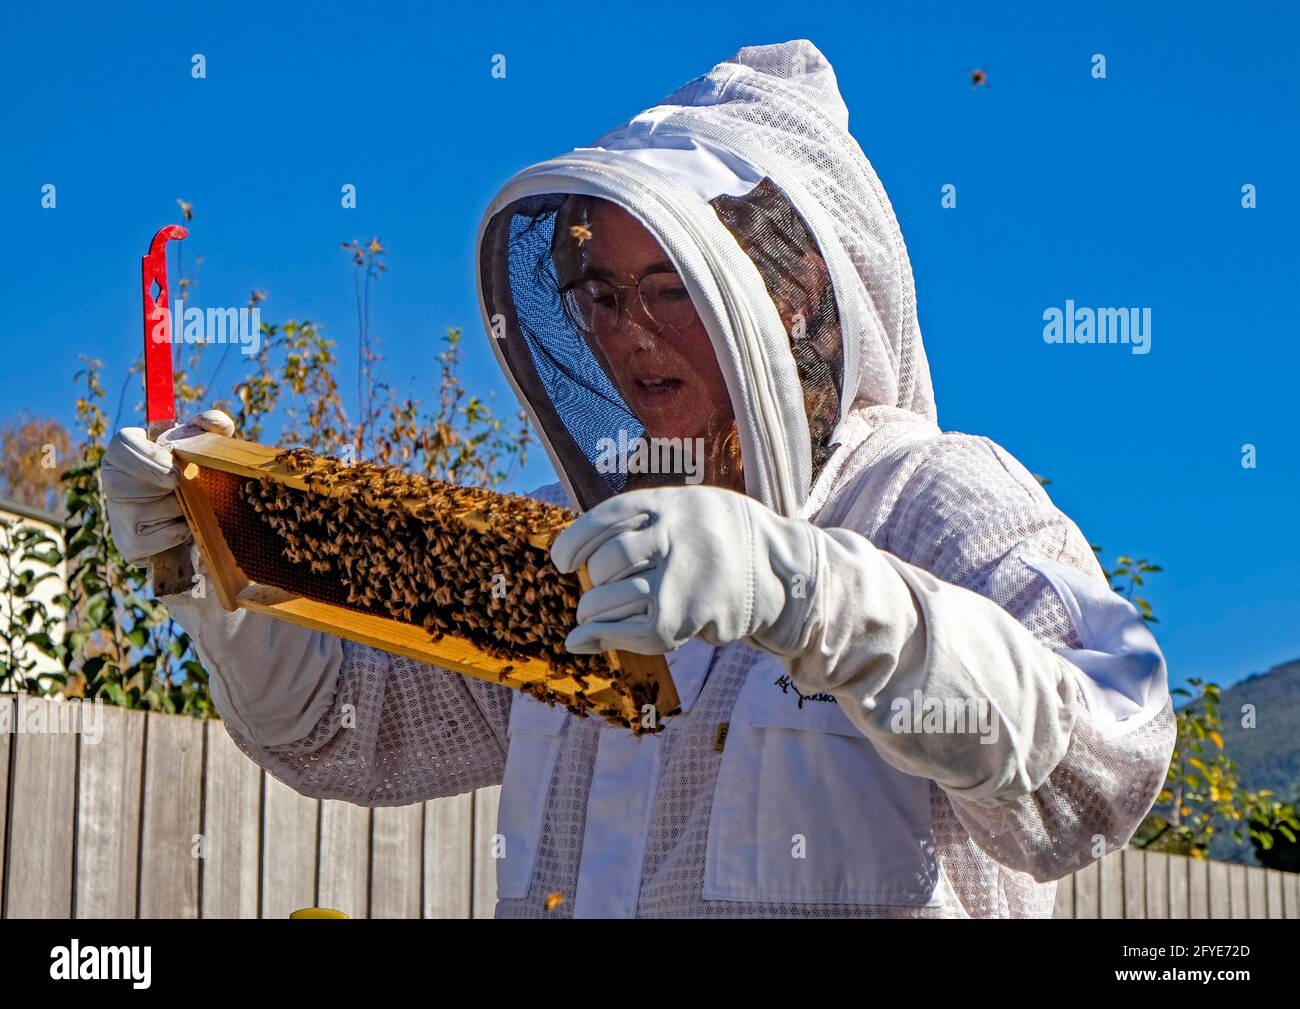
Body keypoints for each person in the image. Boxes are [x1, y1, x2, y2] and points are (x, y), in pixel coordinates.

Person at [103, 40, 1174, 918]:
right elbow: (353, 728)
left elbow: (1103, 767)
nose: (628, 335)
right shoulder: (579, 539)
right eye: (601, 295)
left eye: (670, 288)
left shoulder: (929, 498)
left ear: (792, 298)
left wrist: (819, 597)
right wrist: (212, 556)